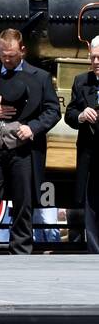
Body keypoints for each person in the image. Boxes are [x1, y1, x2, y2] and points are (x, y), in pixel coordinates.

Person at [0, 28, 61, 255]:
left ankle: (21, 258)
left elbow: (53, 110)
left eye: (11, 55)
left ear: (23, 51)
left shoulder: (41, 77)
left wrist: (33, 128)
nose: (6, 59)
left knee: (23, 206)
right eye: (2, 54)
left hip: (24, 152)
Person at [64, 37, 99, 252]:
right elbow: (69, 114)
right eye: (93, 57)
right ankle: (95, 251)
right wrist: (81, 115)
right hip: (90, 153)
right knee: (92, 204)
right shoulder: (80, 81)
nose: (96, 62)